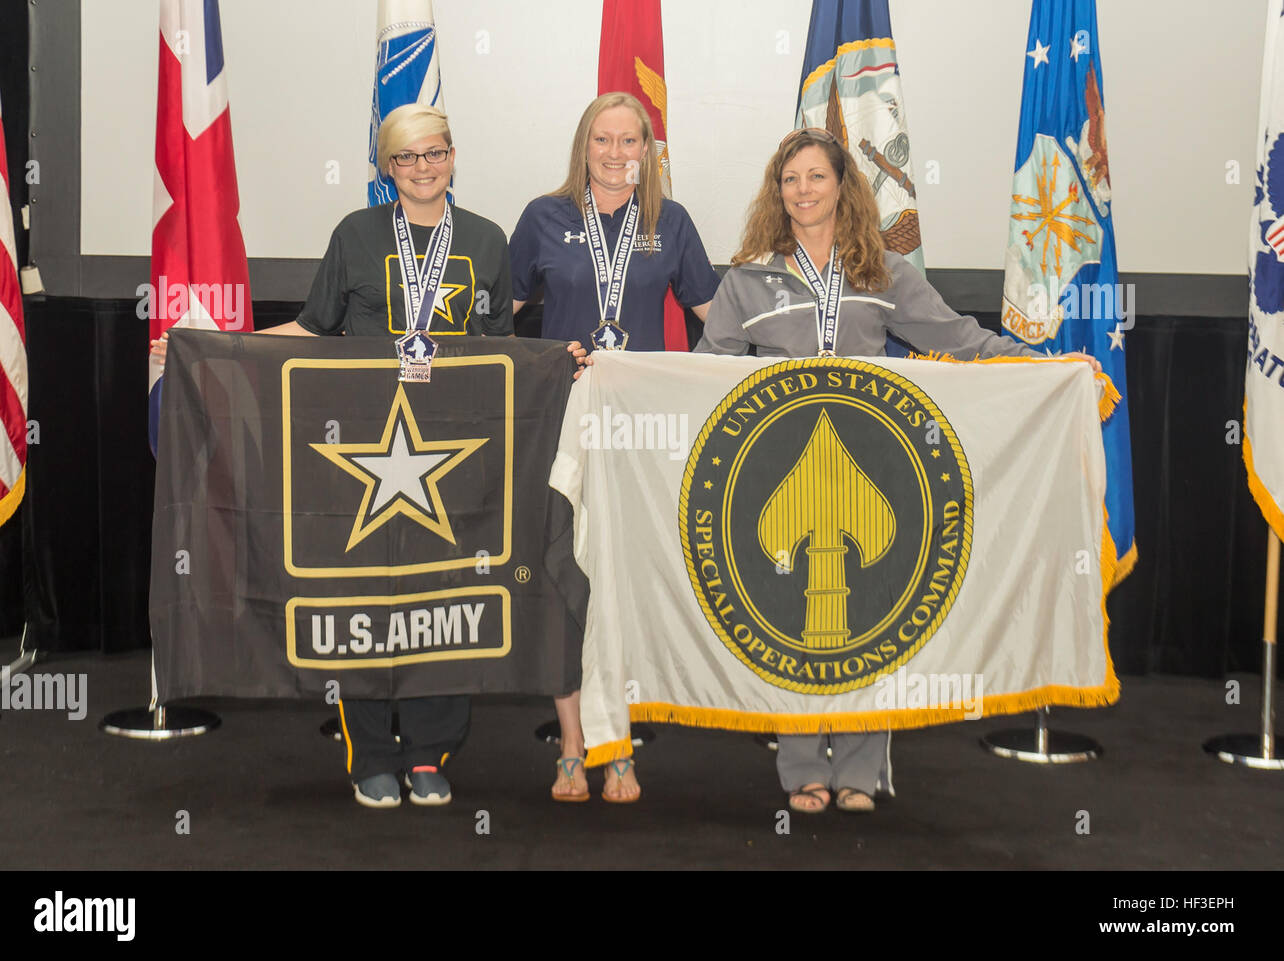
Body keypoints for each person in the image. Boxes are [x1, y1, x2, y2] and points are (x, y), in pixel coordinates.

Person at [151, 104, 585, 810]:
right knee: (361, 598)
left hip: (456, 455)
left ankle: (429, 752)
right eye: (407, 158)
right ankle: (371, 753)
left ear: (453, 156)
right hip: (359, 451)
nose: (423, 167)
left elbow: (501, 349)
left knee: (443, 595)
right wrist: (209, 347)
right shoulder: (355, 235)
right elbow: (312, 328)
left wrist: (550, 360)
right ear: (388, 168)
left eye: (435, 153)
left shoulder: (484, 240)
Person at [697, 127, 1100, 814]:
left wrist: (1044, 364)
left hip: (872, 472)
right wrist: (621, 375)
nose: (802, 191)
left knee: (870, 618)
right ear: (777, 192)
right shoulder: (749, 277)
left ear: (842, 185)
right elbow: (706, 367)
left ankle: (859, 765)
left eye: (815, 177)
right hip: (778, 472)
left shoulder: (884, 270)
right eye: (789, 179)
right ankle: (801, 768)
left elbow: (959, 339)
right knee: (788, 614)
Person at [510, 91, 721, 803]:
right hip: (559, 420)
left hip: (640, 428)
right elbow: (489, 316)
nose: (615, 152)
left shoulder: (672, 222)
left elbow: (714, 324)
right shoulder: (542, 218)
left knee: (624, 582)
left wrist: (689, 382)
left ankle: (620, 747)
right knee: (565, 575)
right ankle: (572, 745)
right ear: (584, 146)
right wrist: (538, 360)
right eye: (603, 139)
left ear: (647, 151)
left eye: (630, 141)